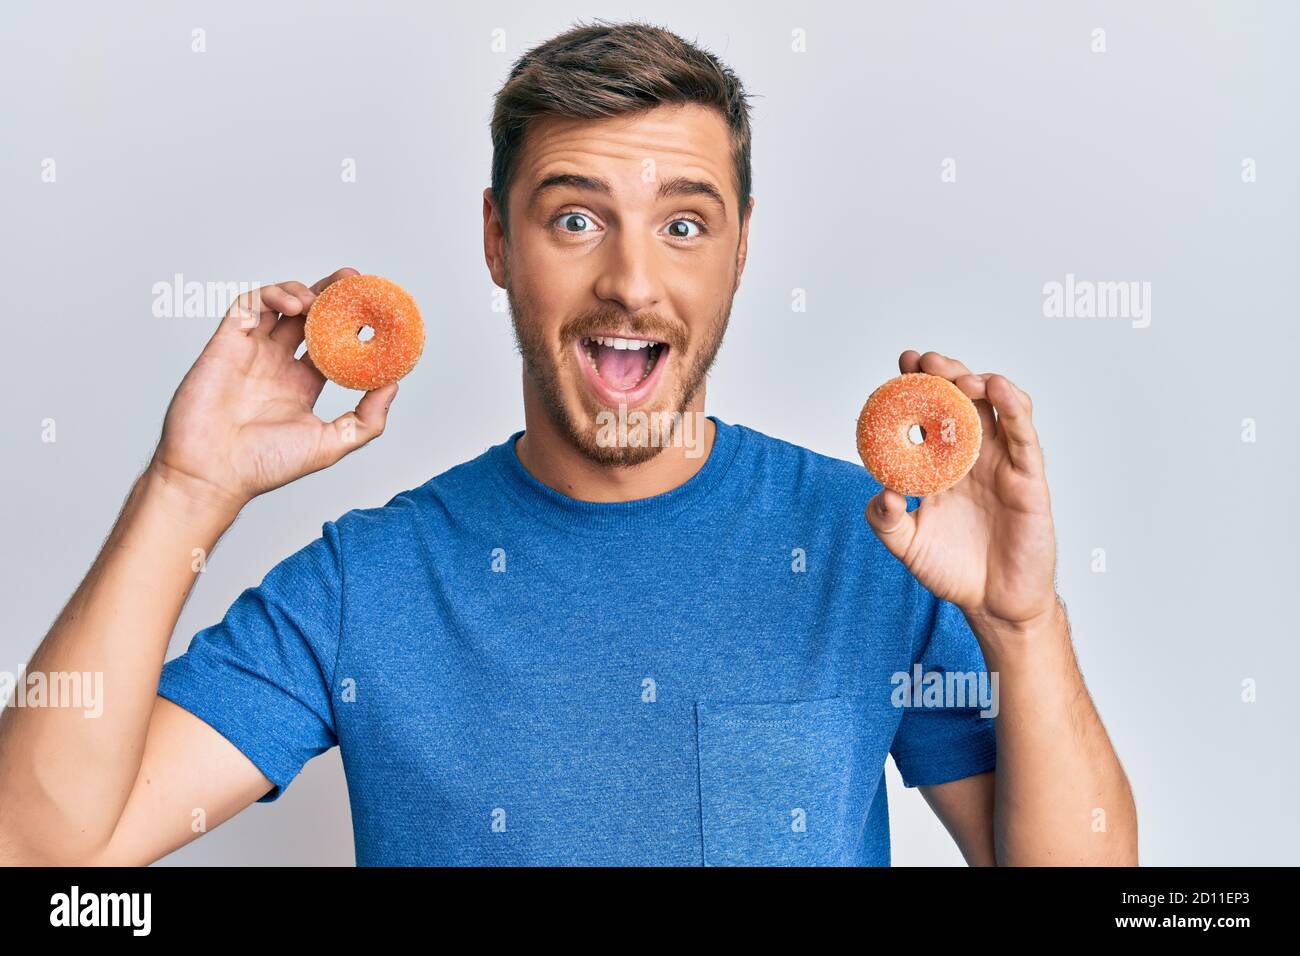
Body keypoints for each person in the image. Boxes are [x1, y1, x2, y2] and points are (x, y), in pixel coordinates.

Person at [0, 21, 1136, 866]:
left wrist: (1023, 628)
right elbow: (38, 850)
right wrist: (185, 488)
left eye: (683, 224)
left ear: (740, 252)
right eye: (575, 217)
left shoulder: (874, 543)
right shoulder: (367, 582)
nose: (632, 281)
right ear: (498, 240)